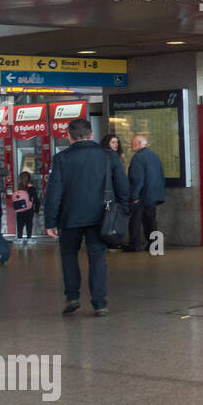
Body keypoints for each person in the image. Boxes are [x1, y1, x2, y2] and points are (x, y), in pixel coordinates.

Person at [44, 118, 129, 317]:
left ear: (69, 136)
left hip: (69, 217)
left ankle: (72, 297)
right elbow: (122, 185)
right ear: (91, 134)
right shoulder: (109, 156)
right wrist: (123, 209)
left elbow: (54, 192)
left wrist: (50, 222)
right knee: (97, 257)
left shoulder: (61, 158)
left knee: (68, 255)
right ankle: (100, 304)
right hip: (101, 215)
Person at [125, 134, 165, 253]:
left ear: (138, 143)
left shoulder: (138, 157)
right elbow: (160, 175)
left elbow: (137, 179)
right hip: (153, 195)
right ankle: (154, 244)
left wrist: (134, 196)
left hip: (142, 195)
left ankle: (134, 245)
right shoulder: (154, 156)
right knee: (151, 220)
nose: (132, 146)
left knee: (135, 221)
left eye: (133, 144)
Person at [12, 171, 38, 244]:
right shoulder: (31, 187)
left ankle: (20, 238)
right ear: (29, 179)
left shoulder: (19, 187)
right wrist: (37, 210)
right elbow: (36, 199)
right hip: (29, 209)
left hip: (19, 209)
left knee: (20, 224)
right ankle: (29, 238)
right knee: (29, 224)